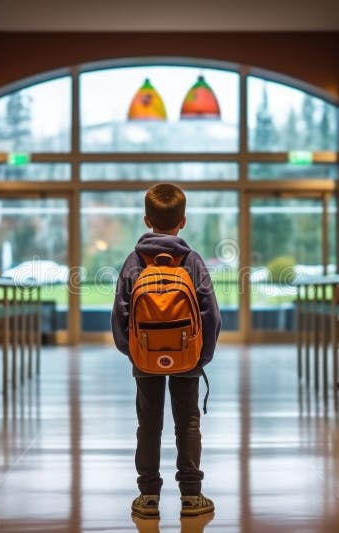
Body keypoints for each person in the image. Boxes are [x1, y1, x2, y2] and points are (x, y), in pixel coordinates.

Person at [111, 183, 221, 520]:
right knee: (187, 421)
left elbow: (120, 313)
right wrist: (202, 355)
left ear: (147, 219)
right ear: (183, 221)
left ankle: (148, 496)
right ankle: (191, 496)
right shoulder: (192, 260)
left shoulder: (134, 261)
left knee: (148, 423)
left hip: (145, 356)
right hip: (188, 355)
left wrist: (132, 351)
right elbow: (211, 314)